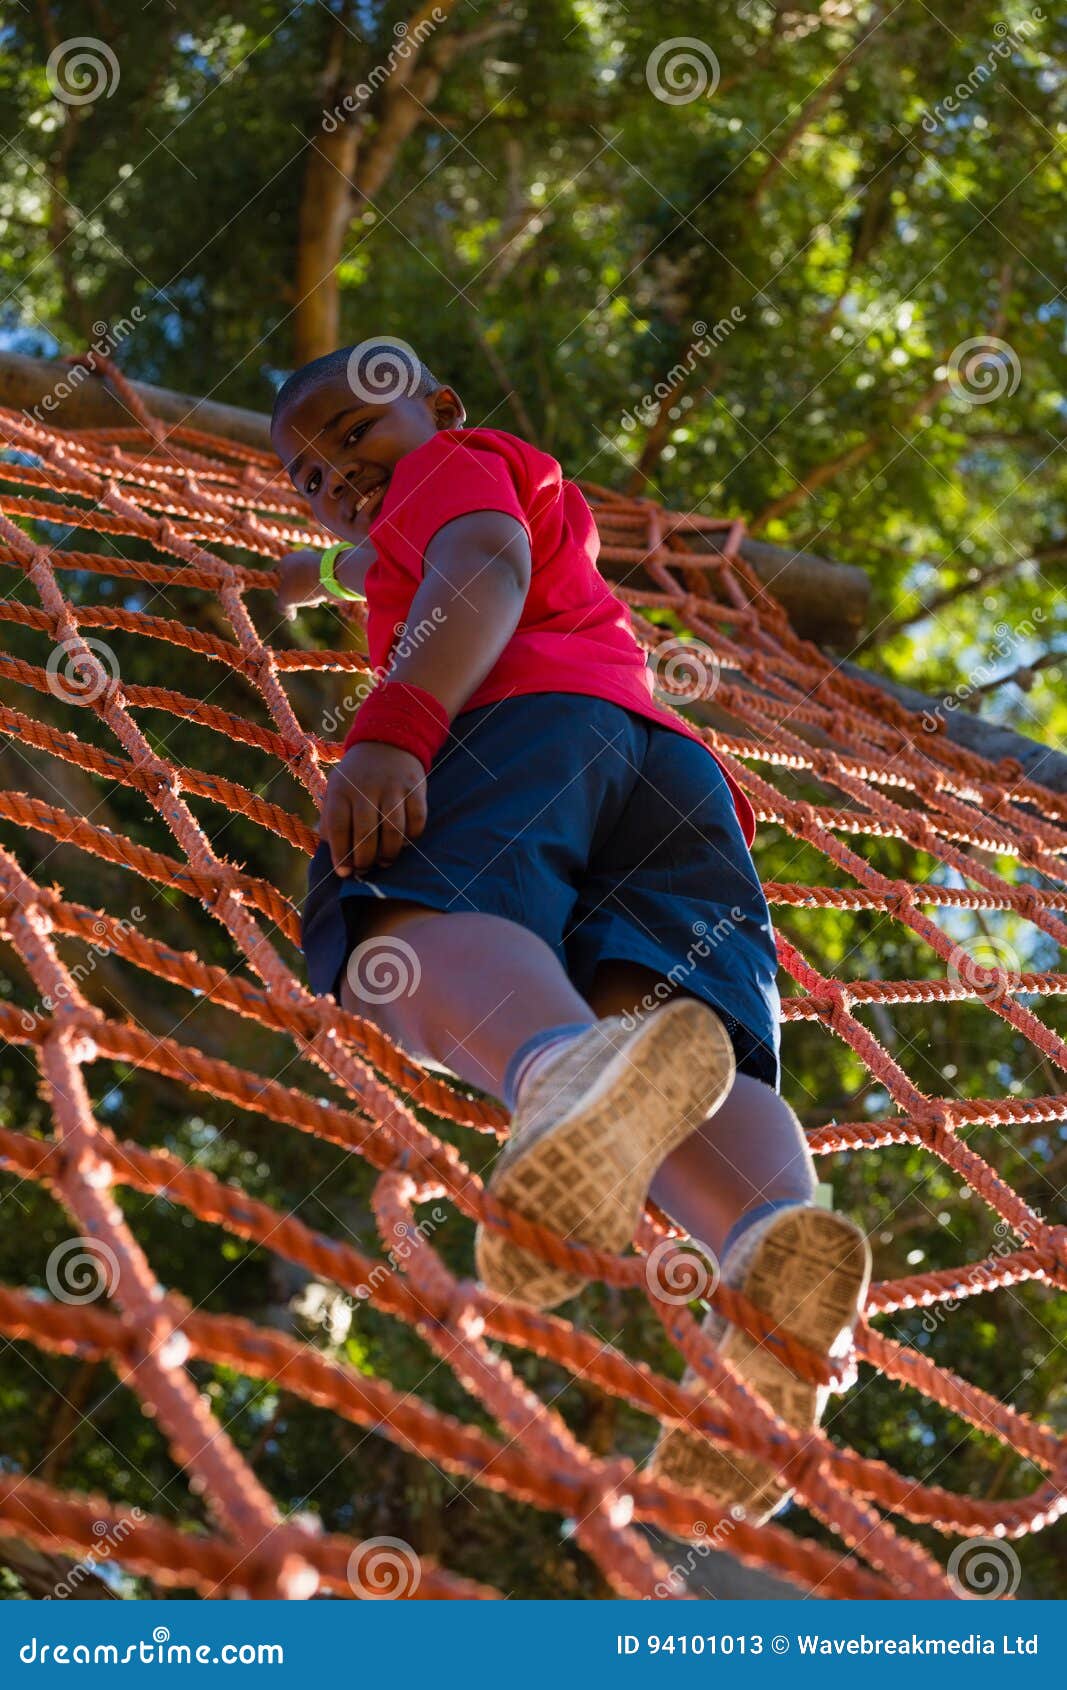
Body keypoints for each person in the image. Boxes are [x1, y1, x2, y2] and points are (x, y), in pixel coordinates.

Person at [272, 340, 870, 1517]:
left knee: (397, 916)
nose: (335, 470)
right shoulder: (452, 494)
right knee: (669, 1023)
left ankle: (555, 1069)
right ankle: (775, 1269)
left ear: (435, 409)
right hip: (675, 775)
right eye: (304, 470)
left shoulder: (452, 466)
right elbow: (384, 557)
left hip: (520, 717)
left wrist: (394, 721)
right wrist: (317, 572)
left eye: (354, 433)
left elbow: (477, 563)